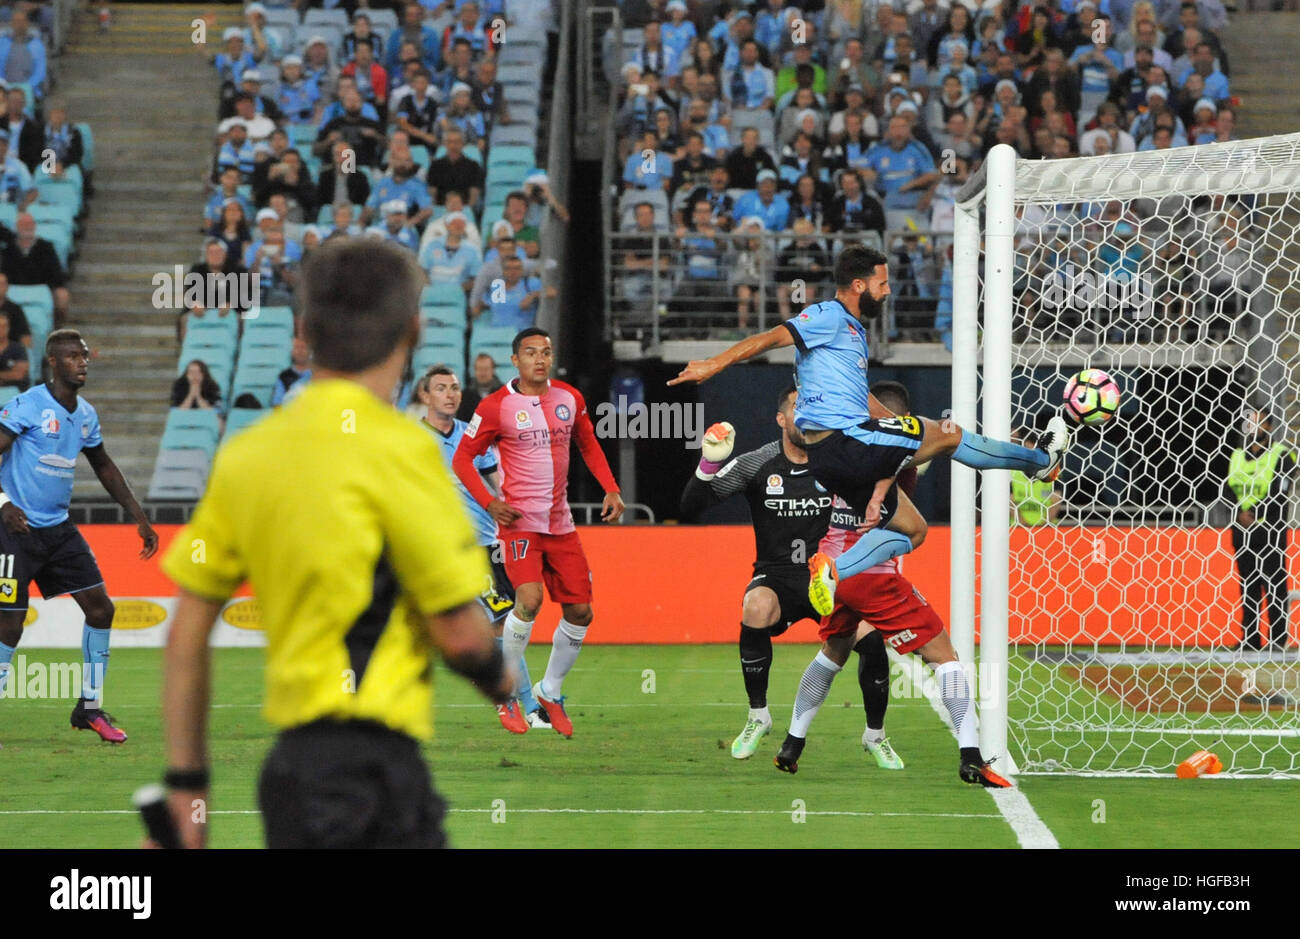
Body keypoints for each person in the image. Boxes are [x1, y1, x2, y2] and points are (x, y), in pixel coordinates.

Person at [157, 239, 512, 849]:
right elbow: (460, 635)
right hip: (377, 773)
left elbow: (187, 628)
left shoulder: (249, 455)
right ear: (414, 328)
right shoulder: (407, 454)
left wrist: (187, 784)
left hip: (293, 774)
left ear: (304, 329)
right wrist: (500, 680)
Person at [668, 244, 1070, 624]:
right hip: (846, 443)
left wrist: (889, 448)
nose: (888, 290)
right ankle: (1041, 462)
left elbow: (867, 404)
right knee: (948, 434)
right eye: (882, 283)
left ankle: (831, 572)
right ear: (859, 285)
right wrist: (714, 364)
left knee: (914, 530)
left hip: (832, 459)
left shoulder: (852, 334)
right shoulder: (828, 315)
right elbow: (773, 336)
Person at [773, 380, 1012, 787]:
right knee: (945, 656)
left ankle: (792, 745)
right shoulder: (898, 453)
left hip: (832, 566)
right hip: (873, 574)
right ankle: (971, 756)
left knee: (833, 651)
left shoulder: (835, 446)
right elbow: (929, 449)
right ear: (902, 420)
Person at [678, 386, 897, 766]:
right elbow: (690, 507)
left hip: (830, 577)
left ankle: (875, 735)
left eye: (814, 405)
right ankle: (757, 715)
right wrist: (707, 465)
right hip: (776, 577)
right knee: (755, 607)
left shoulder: (838, 462)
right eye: (798, 407)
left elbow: (885, 489)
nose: (807, 414)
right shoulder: (757, 463)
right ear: (781, 419)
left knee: (873, 640)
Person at [452, 328, 625, 738]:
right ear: (515, 360)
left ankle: (551, 691)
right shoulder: (495, 407)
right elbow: (463, 458)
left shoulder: (570, 398)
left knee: (581, 612)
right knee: (528, 600)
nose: (539, 359)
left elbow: (588, 443)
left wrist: (611, 487)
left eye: (546, 351)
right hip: (520, 524)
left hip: (560, 524)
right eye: (530, 352)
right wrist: (490, 502)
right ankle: (507, 691)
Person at [0, 329, 158, 745]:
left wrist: (138, 516)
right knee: (10, 626)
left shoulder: (85, 413)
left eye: (85, 356)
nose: (82, 362)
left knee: (101, 609)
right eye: (73, 356)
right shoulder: (28, 405)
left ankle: (88, 708)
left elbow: (103, 465)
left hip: (58, 530)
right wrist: (2, 503)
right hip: (13, 530)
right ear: (53, 362)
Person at [417, 364, 551, 733]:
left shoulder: (473, 438)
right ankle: (517, 703)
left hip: (486, 547)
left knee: (501, 628)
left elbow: (498, 485)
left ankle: (518, 701)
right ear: (424, 395)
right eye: (441, 388)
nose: (450, 394)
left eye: (455, 387)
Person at [1226, 410, 1295, 652]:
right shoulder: (1236, 456)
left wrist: (1251, 513)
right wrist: (1238, 514)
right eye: (1248, 421)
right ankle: (1251, 638)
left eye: (1256, 421)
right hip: (1241, 532)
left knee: (1274, 585)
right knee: (1248, 587)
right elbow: (1226, 490)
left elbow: (1279, 492)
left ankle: (1277, 639)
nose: (1251, 426)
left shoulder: (1283, 456)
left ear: (1268, 425)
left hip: (1270, 531)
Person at [456, 352, 502, 421]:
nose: (483, 373)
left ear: (493, 370)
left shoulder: (504, 394)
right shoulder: (465, 396)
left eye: (486, 369)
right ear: (475, 371)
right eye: (479, 369)